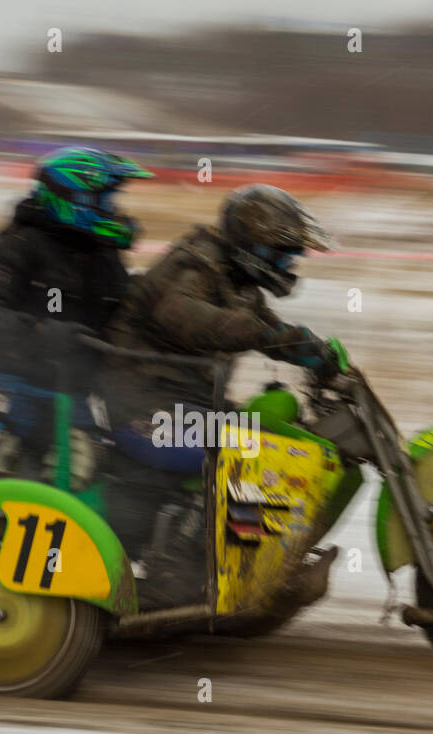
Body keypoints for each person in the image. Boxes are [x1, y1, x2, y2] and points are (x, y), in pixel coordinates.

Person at [101, 184, 345, 607]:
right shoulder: (192, 268)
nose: (290, 263)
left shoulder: (239, 280)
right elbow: (193, 319)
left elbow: (274, 334)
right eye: (283, 253)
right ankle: (172, 574)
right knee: (242, 452)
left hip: (185, 406)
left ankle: (250, 563)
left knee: (277, 441)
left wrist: (320, 359)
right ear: (255, 245)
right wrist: (274, 337)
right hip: (145, 410)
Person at [0, 146, 153, 479]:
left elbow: (123, 320)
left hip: (70, 393)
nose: (112, 211)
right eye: (103, 202)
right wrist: (41, 333)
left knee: (91, 468)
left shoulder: (103, 259)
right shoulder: (14, 246)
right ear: (73, 198)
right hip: (9, 382)